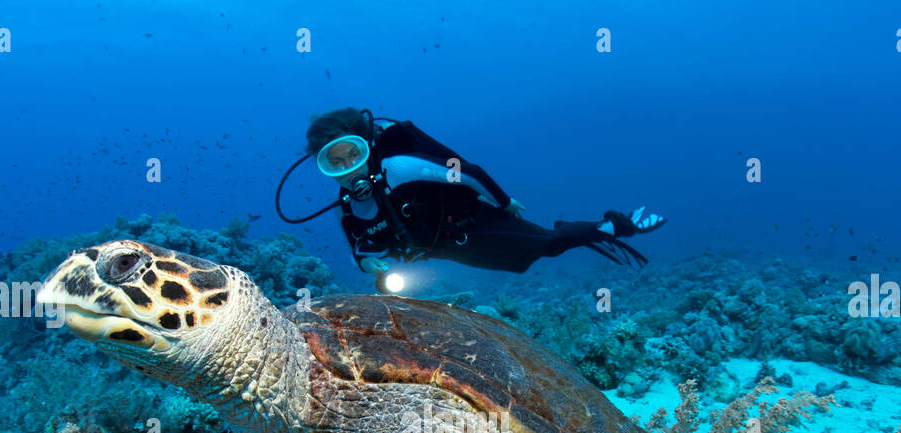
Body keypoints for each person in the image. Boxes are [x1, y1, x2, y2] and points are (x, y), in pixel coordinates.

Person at [277, 107, 666, 284]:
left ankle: (615, 224)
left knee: (546, 246)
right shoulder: (349, 205)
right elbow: (359, 250)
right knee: (524, 261)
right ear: (323, 166)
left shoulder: (399, 167)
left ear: (366, 147)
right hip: (445, 250)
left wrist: (504, 202)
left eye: (353, 154)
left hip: (472, 225)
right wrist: (370, 268)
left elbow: (469, 173)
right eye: (334, 162)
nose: (349, 168)